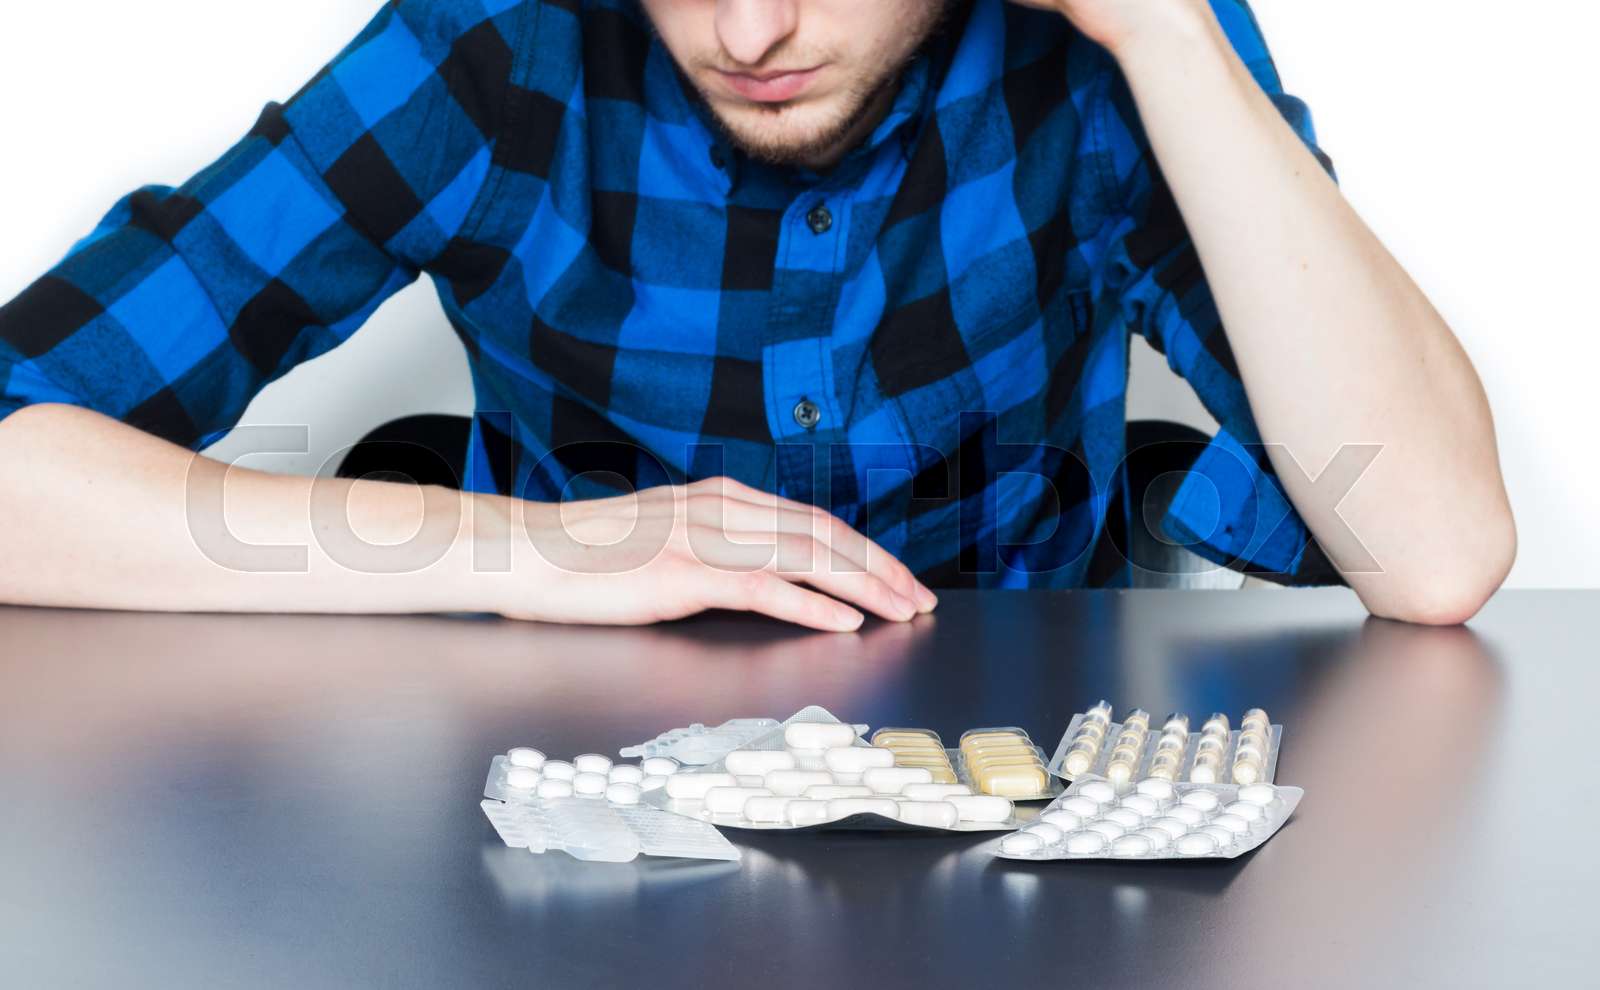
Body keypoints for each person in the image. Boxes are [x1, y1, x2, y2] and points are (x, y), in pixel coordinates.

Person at [0, 0, 1515, 630]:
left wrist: (1162, 33)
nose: (745, 32)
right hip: (561, 854)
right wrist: (553, 552)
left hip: (1031, 845)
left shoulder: (1107, 64)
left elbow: (1437, 545)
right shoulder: (502, 48)